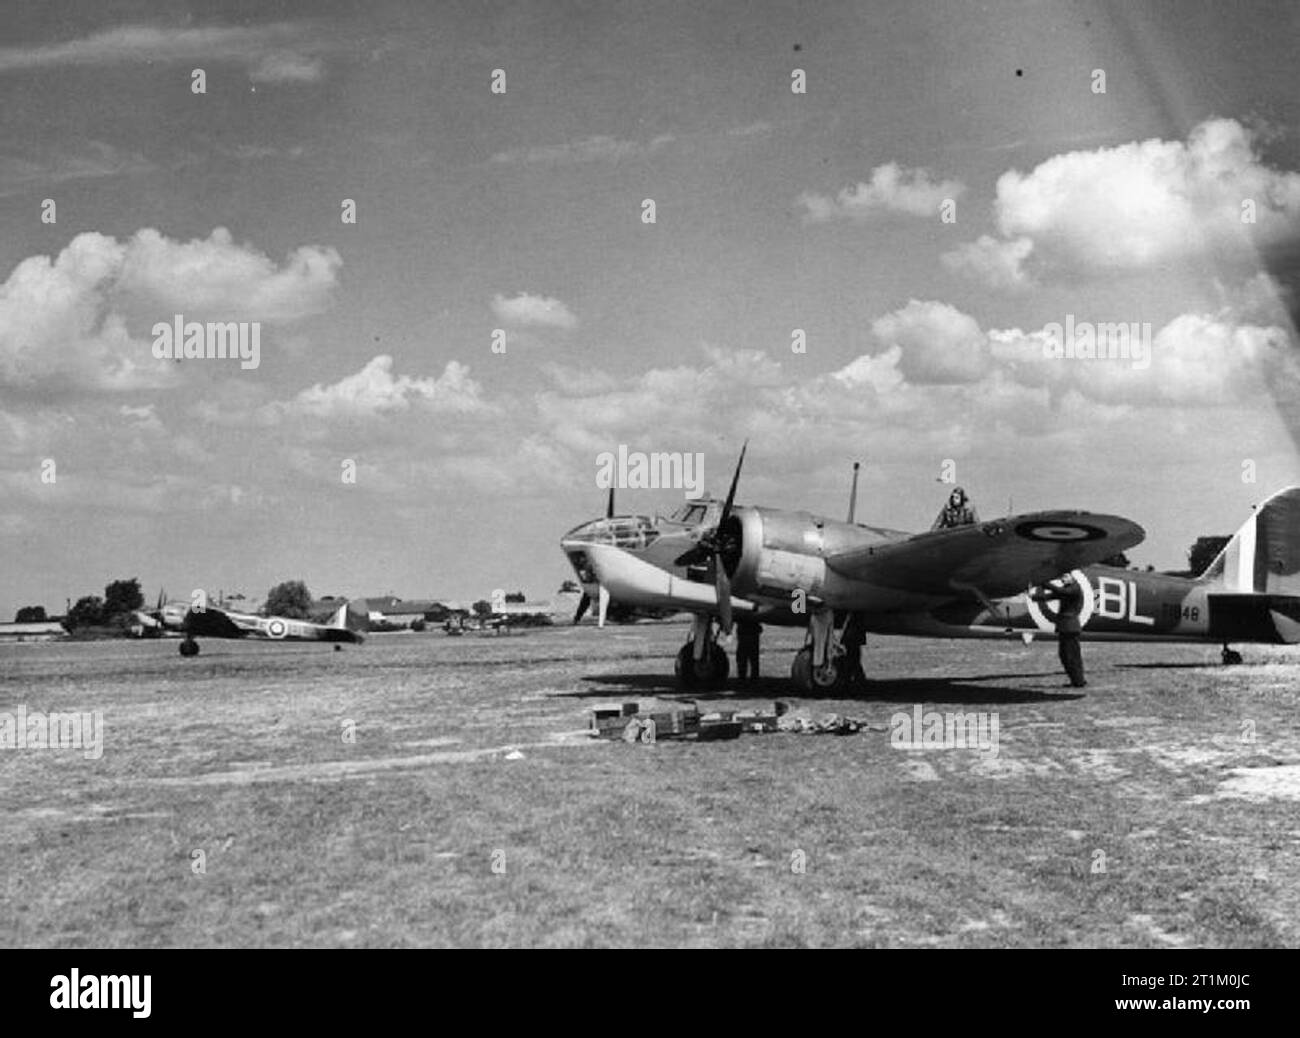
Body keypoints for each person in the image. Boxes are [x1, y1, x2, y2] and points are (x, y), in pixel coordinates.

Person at [1031, 574, 1087, 687]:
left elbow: (1059, 591)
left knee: (1070, 655)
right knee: (1067, 655)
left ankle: (1078, 681)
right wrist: (1032, 596)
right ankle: (1077, 680)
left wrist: (1045, 583)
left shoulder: (1075, 588)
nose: (1063, 579)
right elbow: (1048, 597)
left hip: (1070, 627)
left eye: (1065, 577)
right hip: (1066, 627)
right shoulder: (1067, 590)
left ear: (1072, 578)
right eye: (1062, 577)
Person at [735, 617, 762, 683]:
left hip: (744, 635)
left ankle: (742, 678)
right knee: (753, 660)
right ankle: (754, 679)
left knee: (742, 659)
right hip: (752, 635)